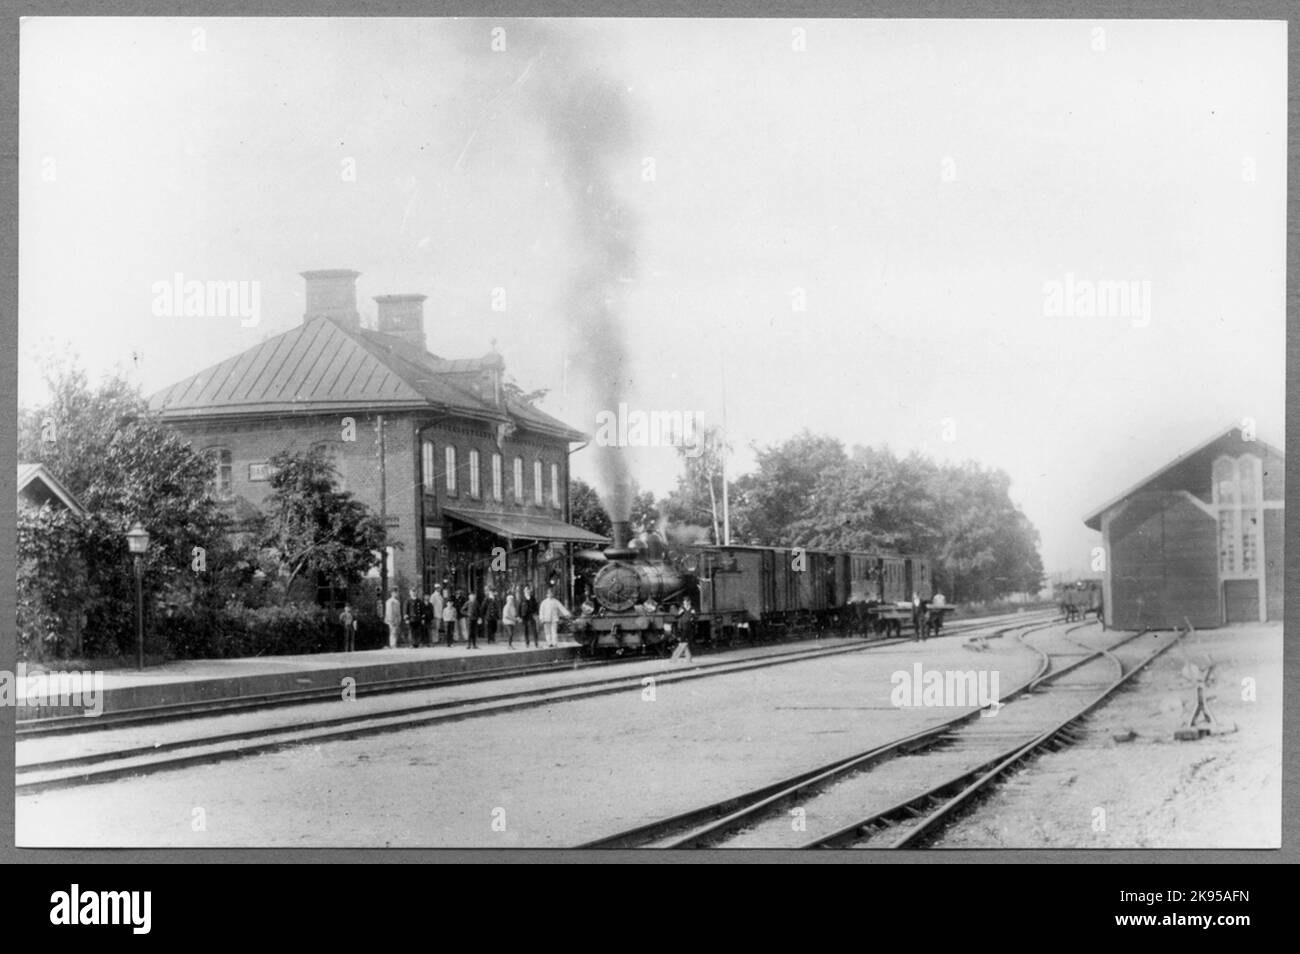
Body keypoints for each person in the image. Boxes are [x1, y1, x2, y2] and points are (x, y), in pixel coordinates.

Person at [671, 596, 696, 662]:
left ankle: (689, 655)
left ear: (689, 602)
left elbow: (694, 616)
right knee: (683, 639)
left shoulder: (692, 608)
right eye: (685, 601)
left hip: (690, 625)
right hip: (683, 625)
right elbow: (678, 616)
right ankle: (681, 654)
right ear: (684, 602)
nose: (686, 603)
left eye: (687, 601)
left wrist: (693, 618)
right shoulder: (682, 608)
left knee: (690, 640)